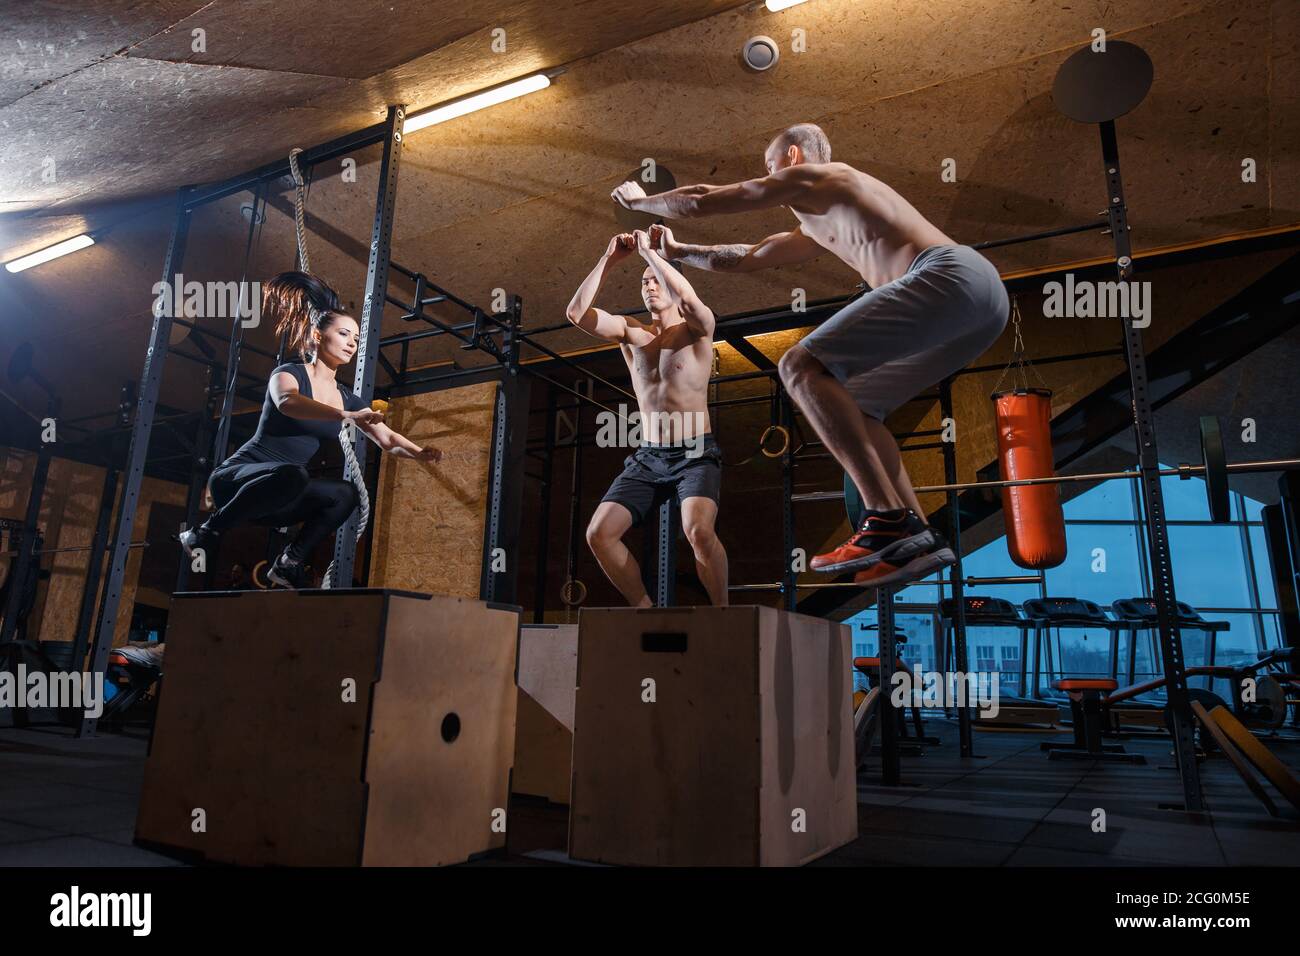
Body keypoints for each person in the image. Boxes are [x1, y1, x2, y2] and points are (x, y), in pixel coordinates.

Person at [612, 123, 1009, 587]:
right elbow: (749, 255)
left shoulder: (823, 178)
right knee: (862, 408)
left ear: (793, 156)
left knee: (798, 366)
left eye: (769, 165)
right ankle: (915, 535)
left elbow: (702, 198)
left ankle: (885, 518)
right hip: (979, 308)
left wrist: (639, 203)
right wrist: (679, 252)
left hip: (946, 274)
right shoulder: (820, 219)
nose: (767, 175)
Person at [178, 272, 441, 589]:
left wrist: (418, 452)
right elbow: (289, 403)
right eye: (344, 334)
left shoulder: (347, 397)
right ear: (318, 336)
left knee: (345, 494)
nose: (351, 344)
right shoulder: (288, 374)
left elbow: (387, 440)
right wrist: (344, 414)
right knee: (294, 474)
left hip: (279, 498)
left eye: (356, 339)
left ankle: (288, 563)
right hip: (236, 482)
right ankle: (205, 531)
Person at [565, 230, 728, 606]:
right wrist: (610, 257)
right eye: (643, 282)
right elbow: (576, 315)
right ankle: (644, 608)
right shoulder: (631, 332)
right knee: (599, 534)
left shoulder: (697, 330)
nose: (649, 286)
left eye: (656, 280)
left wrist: (651, 255)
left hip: (694, 454)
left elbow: (688, 298)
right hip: (649, 457)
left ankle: (724, 614)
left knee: (698, 531)